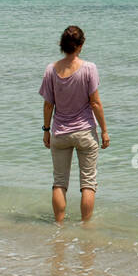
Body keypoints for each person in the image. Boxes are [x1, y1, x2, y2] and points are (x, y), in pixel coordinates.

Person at [39, 25, 109, 223]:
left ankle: (59, 225)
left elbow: (47, 105)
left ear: (62, 44)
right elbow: (95, 103)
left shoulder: (51, 70)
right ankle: (86, 229)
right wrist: (104, 131)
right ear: (81, 45)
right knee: (88, 183)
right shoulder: (89, 69)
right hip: (85, 132)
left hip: (60, 133)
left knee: (59, 182)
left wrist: (46, 131)